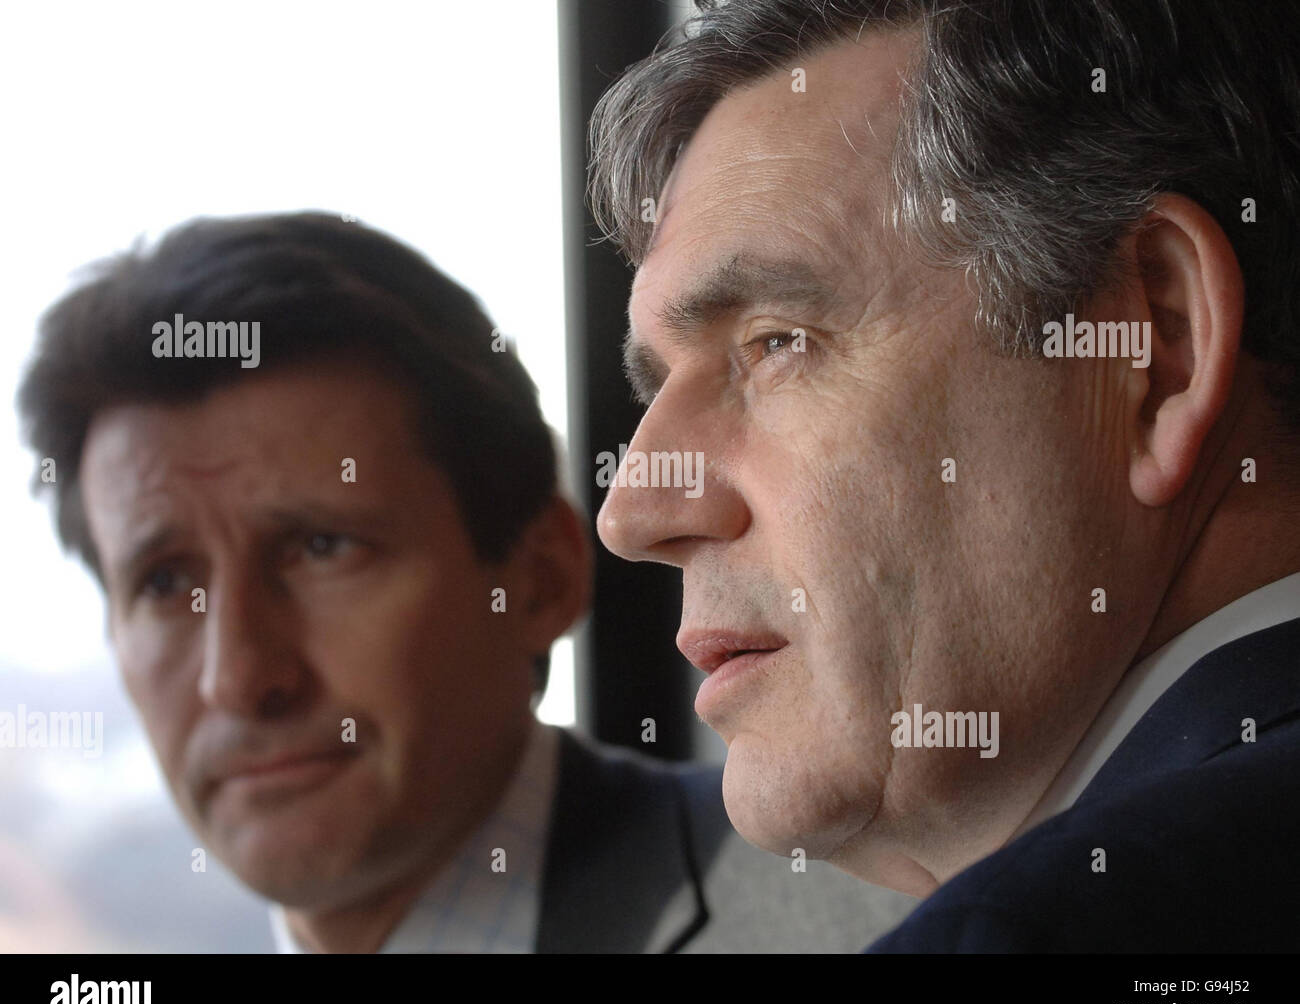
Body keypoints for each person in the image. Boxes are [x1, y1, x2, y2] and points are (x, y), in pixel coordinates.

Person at [589, 0, 1300, 952]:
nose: (633, 512)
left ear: (1154, 346)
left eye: (775, 343)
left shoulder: (1043, 932)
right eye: (658, 388)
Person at [17, 211, 914, 953]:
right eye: (167, 583)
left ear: (541, 578)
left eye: (323, 548)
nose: (239, 677)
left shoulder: (880, 933)